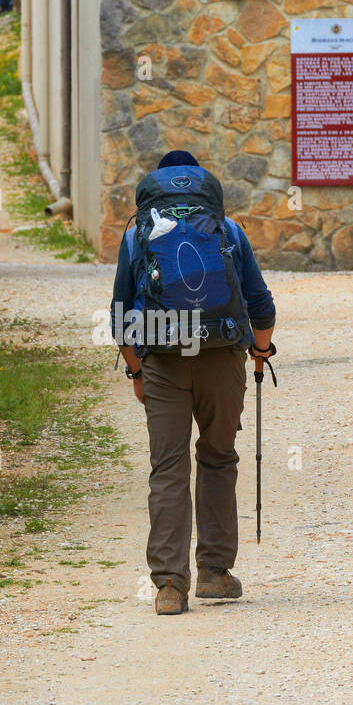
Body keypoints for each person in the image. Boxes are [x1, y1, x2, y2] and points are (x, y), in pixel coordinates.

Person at [110, 150, 277, 616]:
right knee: (218, 458)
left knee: (167, 469)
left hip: (163, 358)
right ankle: (215, 574)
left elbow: (120, 316)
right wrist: (260, 352)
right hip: (222, 358)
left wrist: (137, 371)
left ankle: (168, 586)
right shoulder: (229, 230)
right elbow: (261, 306)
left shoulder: (137, 234)